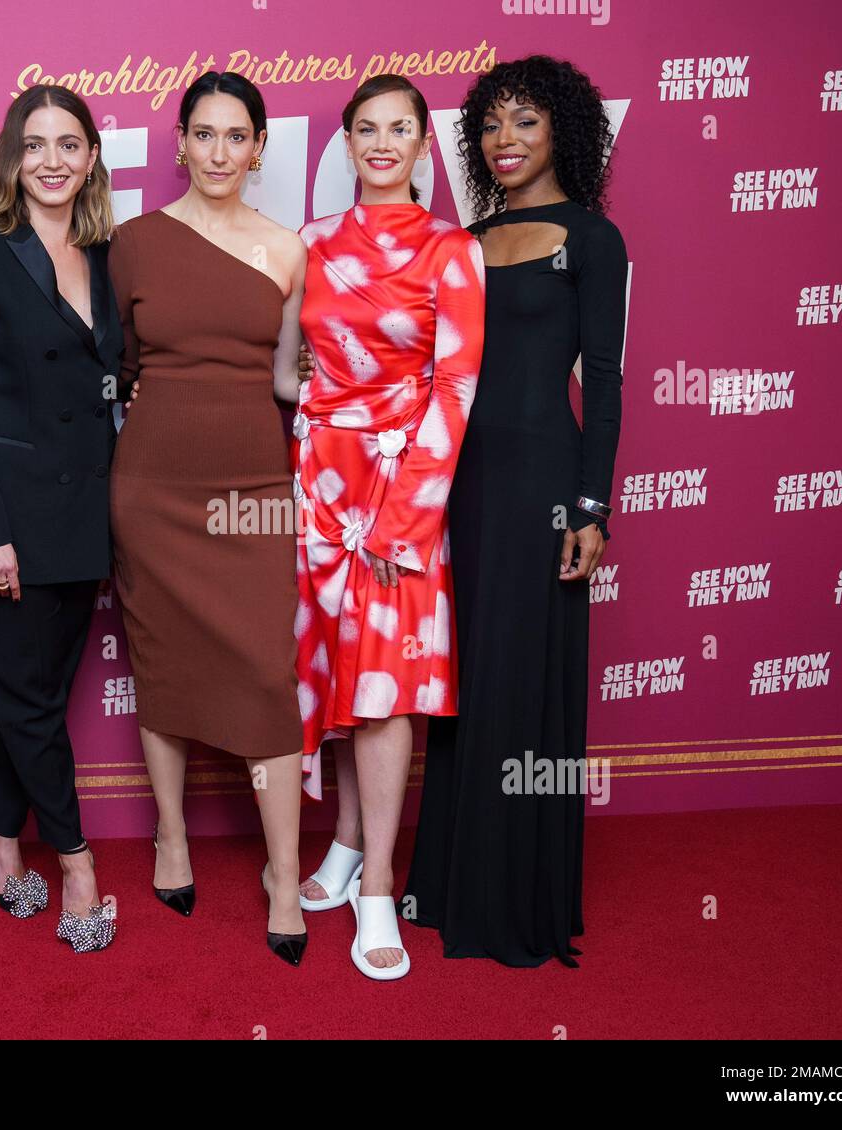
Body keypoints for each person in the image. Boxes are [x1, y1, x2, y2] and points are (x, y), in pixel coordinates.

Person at [402, 55, 628, 968]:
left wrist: (592, 508)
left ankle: (518, 897)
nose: (505, 139)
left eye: (526, 121)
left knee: (524, 675)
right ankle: (452, 880)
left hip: (544, 487)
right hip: (460, 486)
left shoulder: (592, 239)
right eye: (491, 123)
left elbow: (603, 385)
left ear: (562, 131)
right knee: (465, 677)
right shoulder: (461, 241)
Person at [107, 72, 310, 965]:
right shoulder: (134, 244)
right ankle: (172, 836)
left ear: (258, 148)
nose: (219, 152)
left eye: (236, 136)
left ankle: (283, 871)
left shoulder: (287, 249)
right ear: (180, 143)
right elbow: (116, 365)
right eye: (204, 134)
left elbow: (284, 378)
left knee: (266, 670)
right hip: (152, 487)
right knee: (164, 664)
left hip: (253, 486)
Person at [294, 75, 486, 980]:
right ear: (346, 143)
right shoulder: (312, 242)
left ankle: (378, 887)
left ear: (421, 144)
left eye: (398, 128)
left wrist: (403, 519)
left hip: (402, 492)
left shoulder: (453, 248)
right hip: (320, 487)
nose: (380, 143)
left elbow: (456, 388)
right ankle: (342, 845)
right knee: (340, 673)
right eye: (365, 129)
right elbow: (293, 370)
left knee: (386, 686)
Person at [0, 84, 122, 953]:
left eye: (68, 144)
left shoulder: (107, 253)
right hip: (3, 518)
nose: (52, 160)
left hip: (83, 517)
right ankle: (76, 862)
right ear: (12, 155)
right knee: (30, 702)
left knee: (31, 697)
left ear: (90, 158)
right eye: (35, 144)